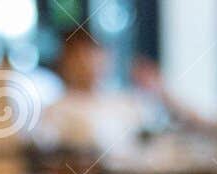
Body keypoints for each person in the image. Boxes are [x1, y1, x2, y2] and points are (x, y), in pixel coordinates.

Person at [37, 27, 151, 155]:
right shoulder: (56, 110)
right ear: (66, 61)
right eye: (80, 57)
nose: (90, 63)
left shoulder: (125, 100)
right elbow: (48, 149)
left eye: (95, 54)